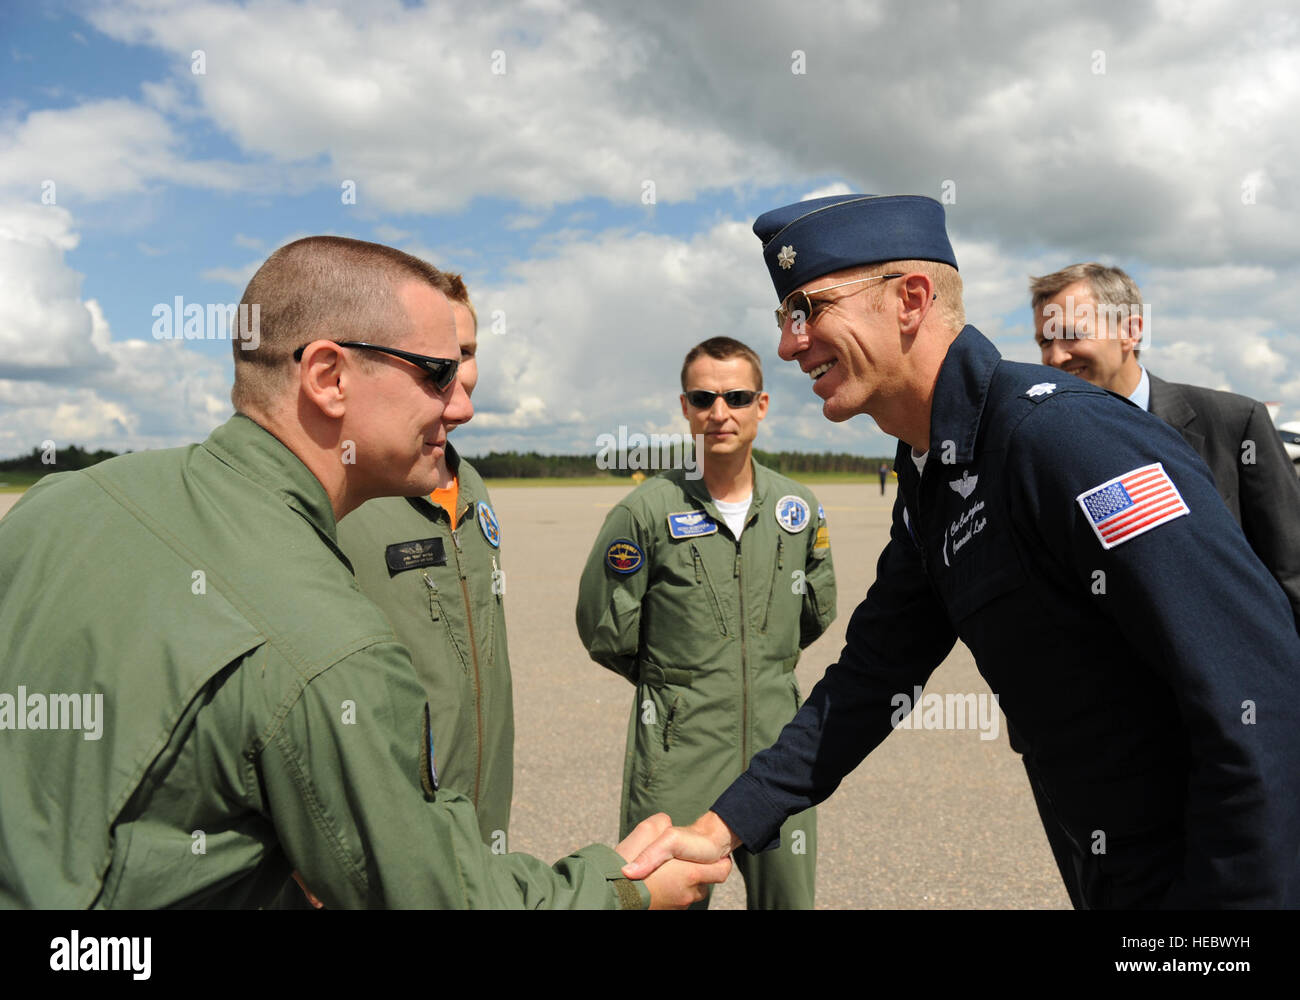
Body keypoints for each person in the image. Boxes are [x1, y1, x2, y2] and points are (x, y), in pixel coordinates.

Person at [0, 235, 728, 909]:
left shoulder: (66, 500)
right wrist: (624, 888)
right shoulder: (328, 650)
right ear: (328, 376)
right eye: (438, 374)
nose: (465, 404)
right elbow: (433, 898)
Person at [622, 194, 1300, 909]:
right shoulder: (933, 469)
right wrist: (723, 828)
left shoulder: (1061, 438)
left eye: (808, 310)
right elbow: (873, 675)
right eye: (785, 320)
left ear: (910, 298)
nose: (791, 345)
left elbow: (1257, 692)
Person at [576, 337, 836, 909]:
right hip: (679, 751)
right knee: (668, 900)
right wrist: (680, 684)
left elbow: (815, 612)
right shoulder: (645, 511)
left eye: (737, 397)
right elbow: (606, 630)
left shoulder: (799, 509)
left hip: (777, 746)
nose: (720, 413)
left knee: (789, 901)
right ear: (685, 407)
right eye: (704, 398)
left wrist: (763, 670)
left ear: (761, 406)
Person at [334, 272, 513, 849]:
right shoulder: (343, 499)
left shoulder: (473, 486)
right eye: (436, 360)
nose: (460, 380)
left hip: (483, 811)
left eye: (467, 353)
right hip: (388, 830)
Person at [1031, 262, 1300, 628]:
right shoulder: (1045, 448)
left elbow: (1291, 570)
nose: (1055, 357)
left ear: (1130, 331)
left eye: (1071, 335)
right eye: (1045, 342)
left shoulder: (1234, 422)